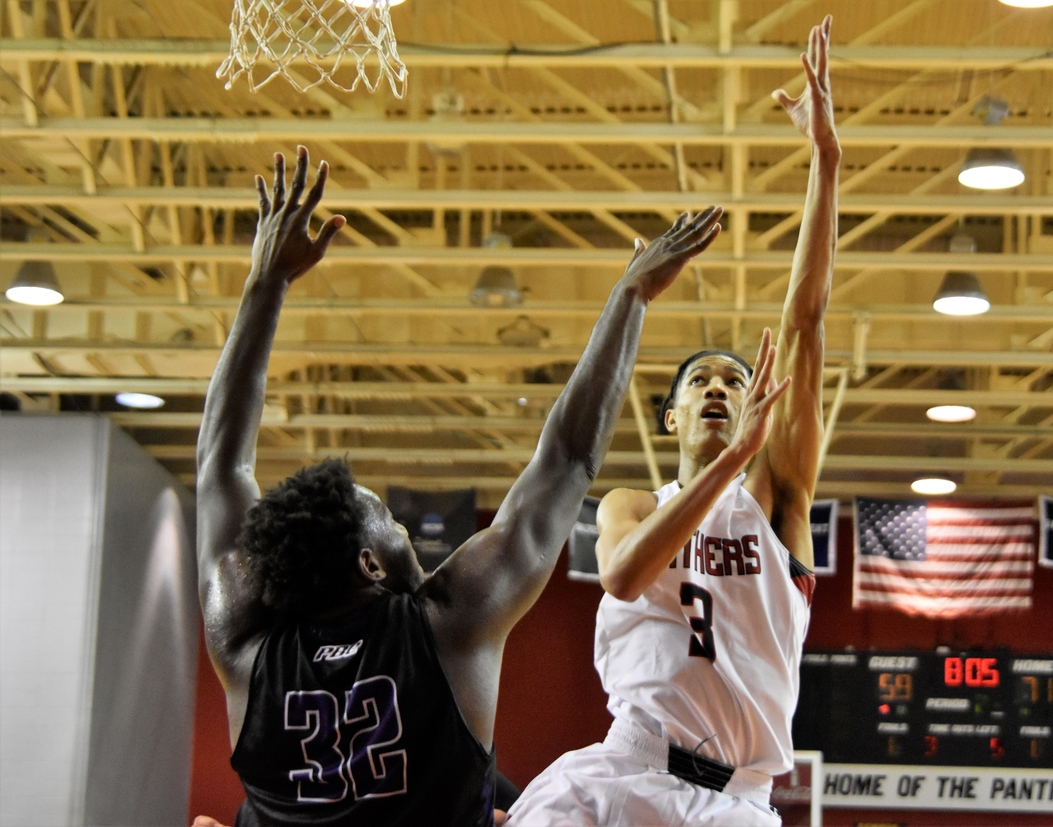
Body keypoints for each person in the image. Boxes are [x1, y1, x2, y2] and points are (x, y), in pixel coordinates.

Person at [195, 145, 724, 826]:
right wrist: (631, 296)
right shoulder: (446, 625)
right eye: (390, 522)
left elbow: (219, 465)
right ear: (369, 562)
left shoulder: (242, 645)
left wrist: (263, 282)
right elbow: (566, 461)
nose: (408, 532)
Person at [505, 16, 841, 827]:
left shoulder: (781, 500)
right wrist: (726, 469)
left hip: (736, 801)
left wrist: (826, 162)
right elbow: (620, 574)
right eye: (701, 381)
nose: (720, 387)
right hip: (628, 770)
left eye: (733, 377)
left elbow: (804, 319)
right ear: (670, 416)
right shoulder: (631, 503)